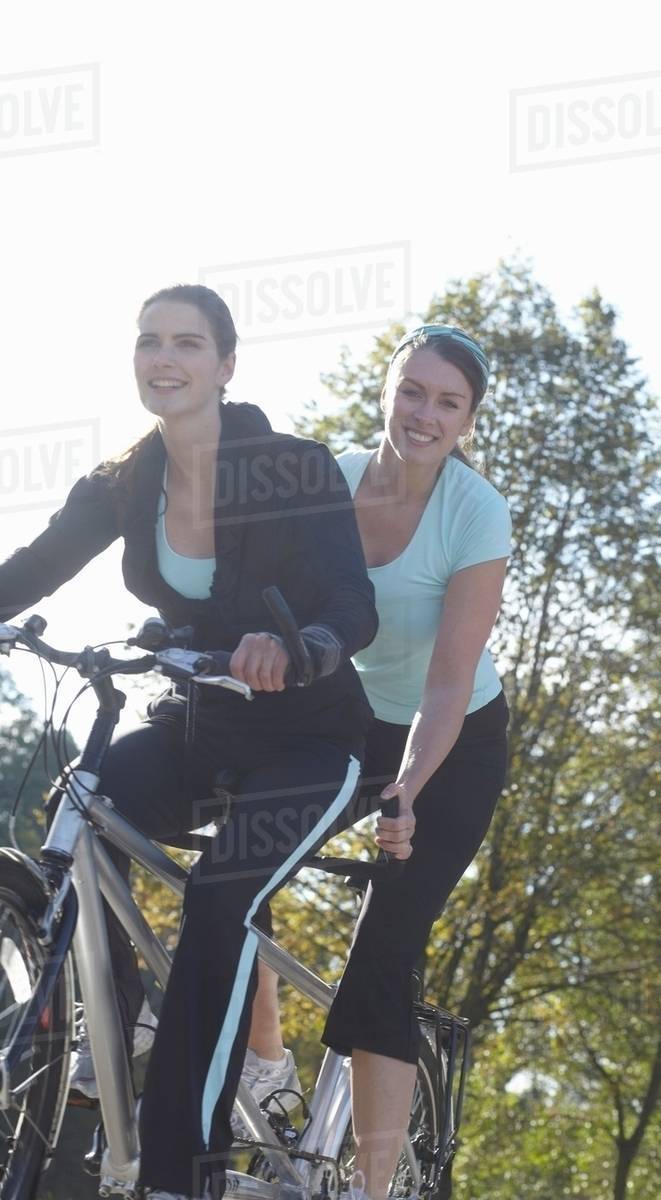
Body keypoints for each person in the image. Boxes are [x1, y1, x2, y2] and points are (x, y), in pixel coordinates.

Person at [0, 284, 378, 1200]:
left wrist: (295, 648)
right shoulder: (125, 481)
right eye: (148, 342)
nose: (163, 358)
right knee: (85, 805)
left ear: (226, 365)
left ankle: (178, 1173)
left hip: (310, 742)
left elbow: (352, 607)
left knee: (219, 902)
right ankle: (116, 1021)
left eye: (186, 343)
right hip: (199, 727)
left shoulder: (292, 467)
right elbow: (36, 566)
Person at [244, 324, 511, 1200]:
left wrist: (406, 788)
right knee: (238, 856)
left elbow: (445, 684)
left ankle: (370, 1188)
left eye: (448, 402)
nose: (424, 414)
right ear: (387, 389)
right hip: (352, 720)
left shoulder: (475, 513)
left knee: (383, 949)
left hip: (453, 741)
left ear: (469, 419)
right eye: (412, 392)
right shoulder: (332, 480)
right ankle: (264, 1065)